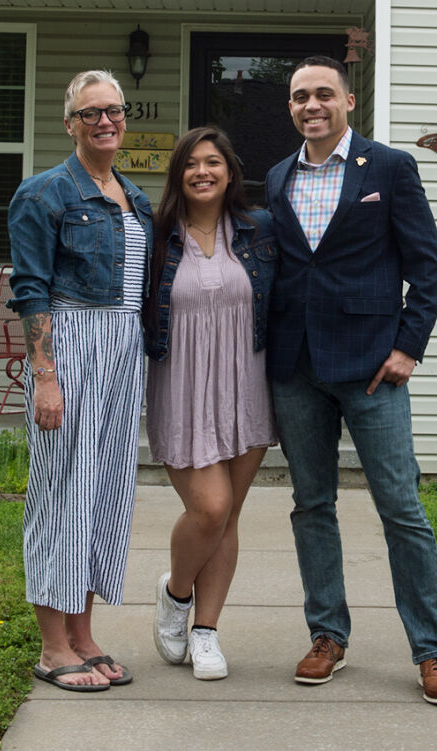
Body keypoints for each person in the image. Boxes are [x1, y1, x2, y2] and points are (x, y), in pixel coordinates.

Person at [264, 55, 437, 706]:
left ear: (348, 101)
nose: (311, 104)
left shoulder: (389, 168)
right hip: (296, 368)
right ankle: (327, 635)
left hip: (374, 366)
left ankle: (431, 652)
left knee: (400, 508)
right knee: (311, 503)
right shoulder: (275, 177)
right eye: (299, 96)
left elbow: (426, 266)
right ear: (290, 107)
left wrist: (408, 347)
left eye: (323, 93)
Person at [6, 69, 153, 694]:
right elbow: (31, 290)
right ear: (70, 124)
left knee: (104, 493)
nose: (104, 122)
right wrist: (45, 375)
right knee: (60, 492)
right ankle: (51, 645)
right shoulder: (43, 194)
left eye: (113, 111)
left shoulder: (135, 196)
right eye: (90, 113)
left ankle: (84, 634)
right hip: (70, 346)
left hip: (123, 350)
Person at [143, 127, 278, 681]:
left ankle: (206, 632)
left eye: (214, 162)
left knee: (230, 516)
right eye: (192, 163)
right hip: (181, 388)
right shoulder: (155, 237)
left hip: (246, 386)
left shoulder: (259, 230)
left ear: (230, 171)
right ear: (179, 174)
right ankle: (175, 595)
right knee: (211, 508)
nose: (203, 171)